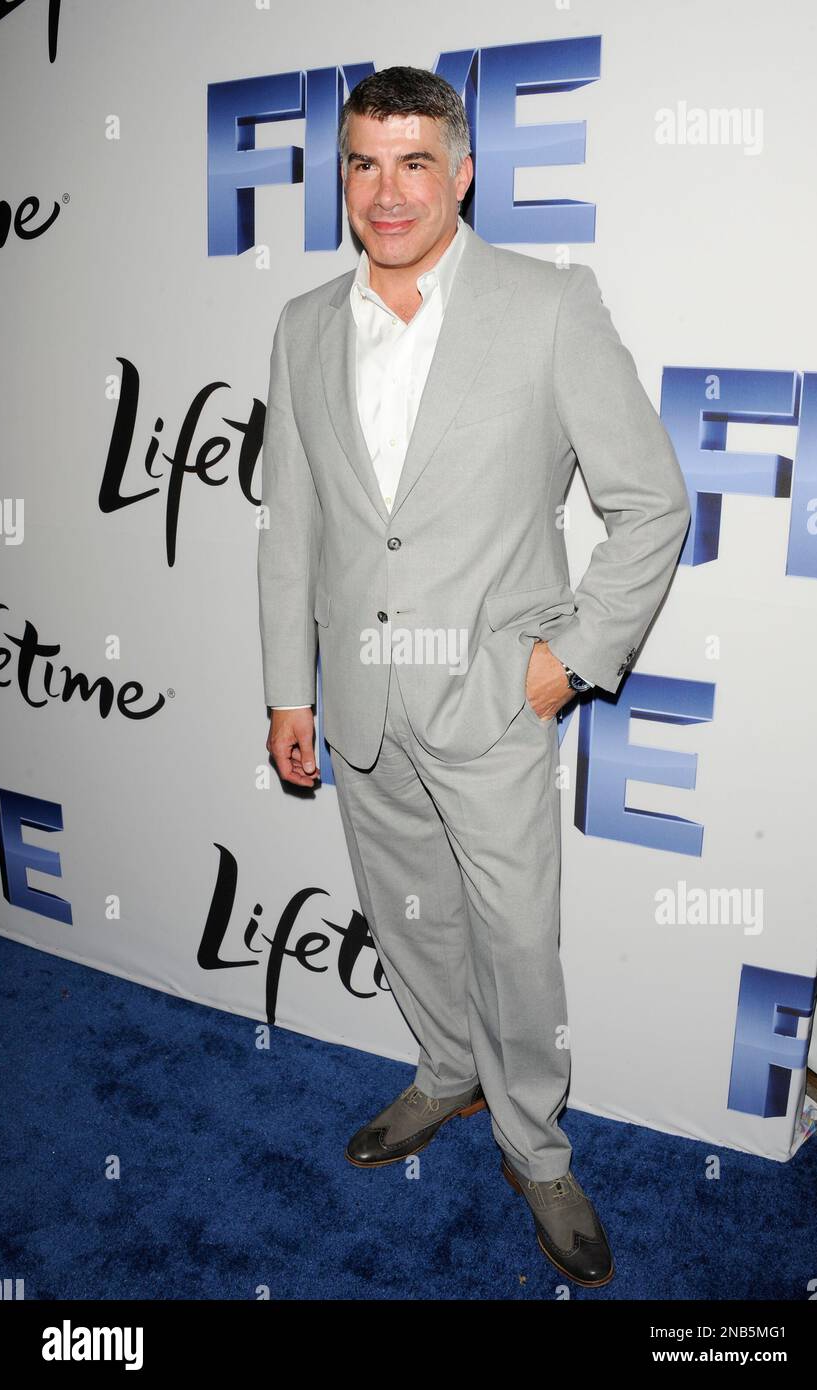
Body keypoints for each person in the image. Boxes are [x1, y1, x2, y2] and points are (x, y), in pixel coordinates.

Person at [257, 66, 691, 1287]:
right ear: (341, 176)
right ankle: (444, 1071)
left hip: (491, 694)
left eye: (413, 162)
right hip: (360, 697)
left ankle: (535, 1147)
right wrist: (288, 687)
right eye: (362, 163)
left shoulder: (547, 305)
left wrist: (566, 663)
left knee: (516, 943)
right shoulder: (302, 325)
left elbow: (650, 503)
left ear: (460, 172)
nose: (386, 191)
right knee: (409, 915)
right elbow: (292, 524)